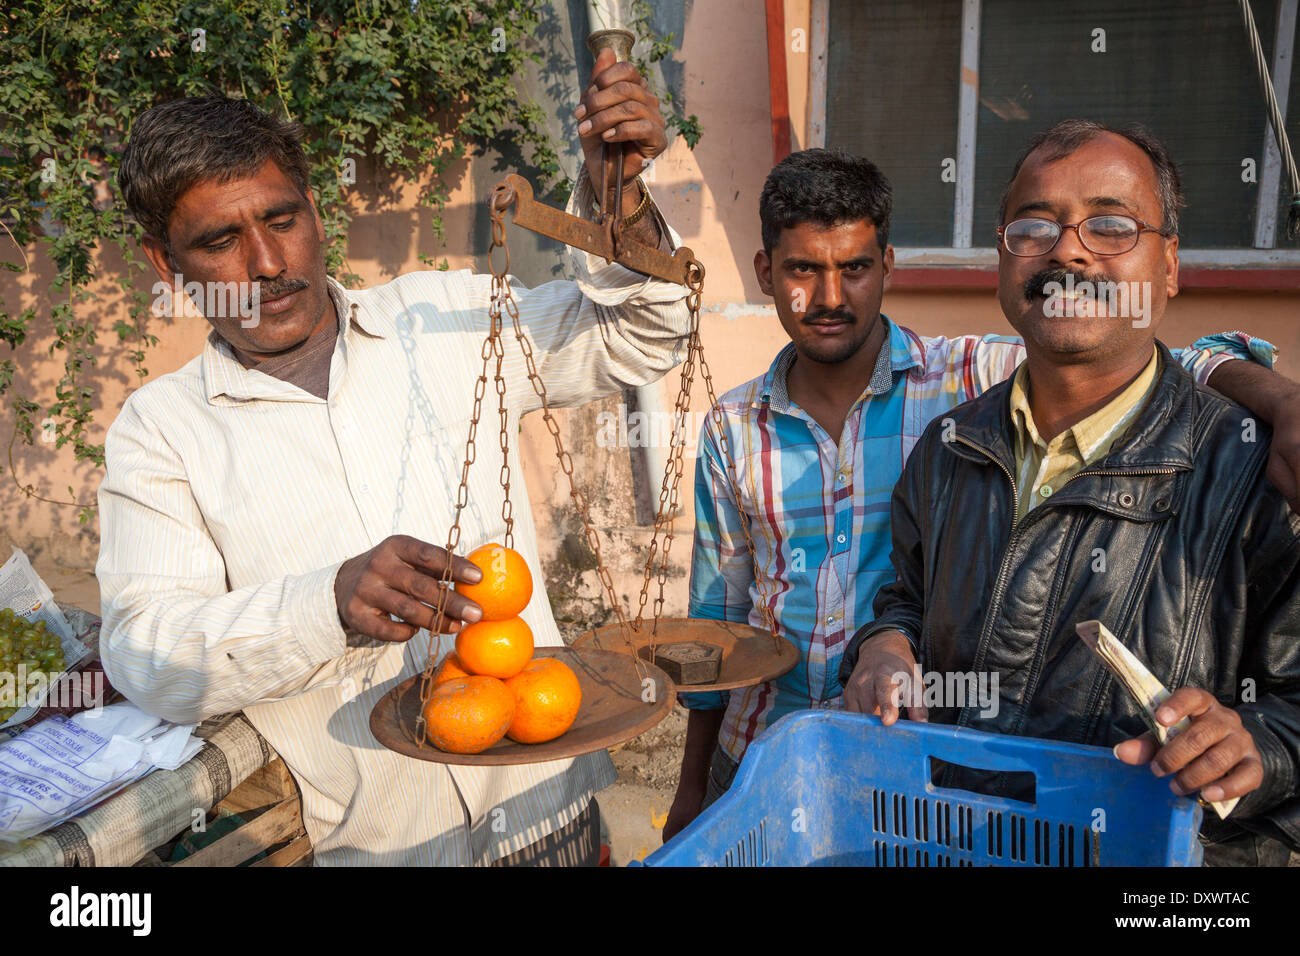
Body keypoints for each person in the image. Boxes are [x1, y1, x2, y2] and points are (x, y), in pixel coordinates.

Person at [97, 51, 689, 866]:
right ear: (167, 264)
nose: (267, 265)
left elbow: (646, 334)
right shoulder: (160, 432)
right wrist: (327, 605)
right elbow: (146, 654)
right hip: (381, 850)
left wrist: (618, 205)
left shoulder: (440, 318)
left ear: (314, 210)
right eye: (220, 241)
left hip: (553, 813)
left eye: (280, 220)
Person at [666, 145, 1297, 843]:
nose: (830, 298)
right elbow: (717, 617)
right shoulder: (736, 422)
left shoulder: (963, 381)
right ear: (766, 272)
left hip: (909, 776)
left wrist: (1277, 397)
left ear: (887, 267)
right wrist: (693, 784)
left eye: (854, 268)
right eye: (802, 271)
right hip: (767, 754)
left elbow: (1146, 353)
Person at [841, 120, 1300, 866]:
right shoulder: (951, 447)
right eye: (1034, 225)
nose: (1067, 250)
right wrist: (885, 646)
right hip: (954, 844)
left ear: (1170, 266)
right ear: (1002, 259)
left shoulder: (1256, 471)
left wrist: (1255, 747)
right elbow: (908, 599)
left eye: (1111, 225)